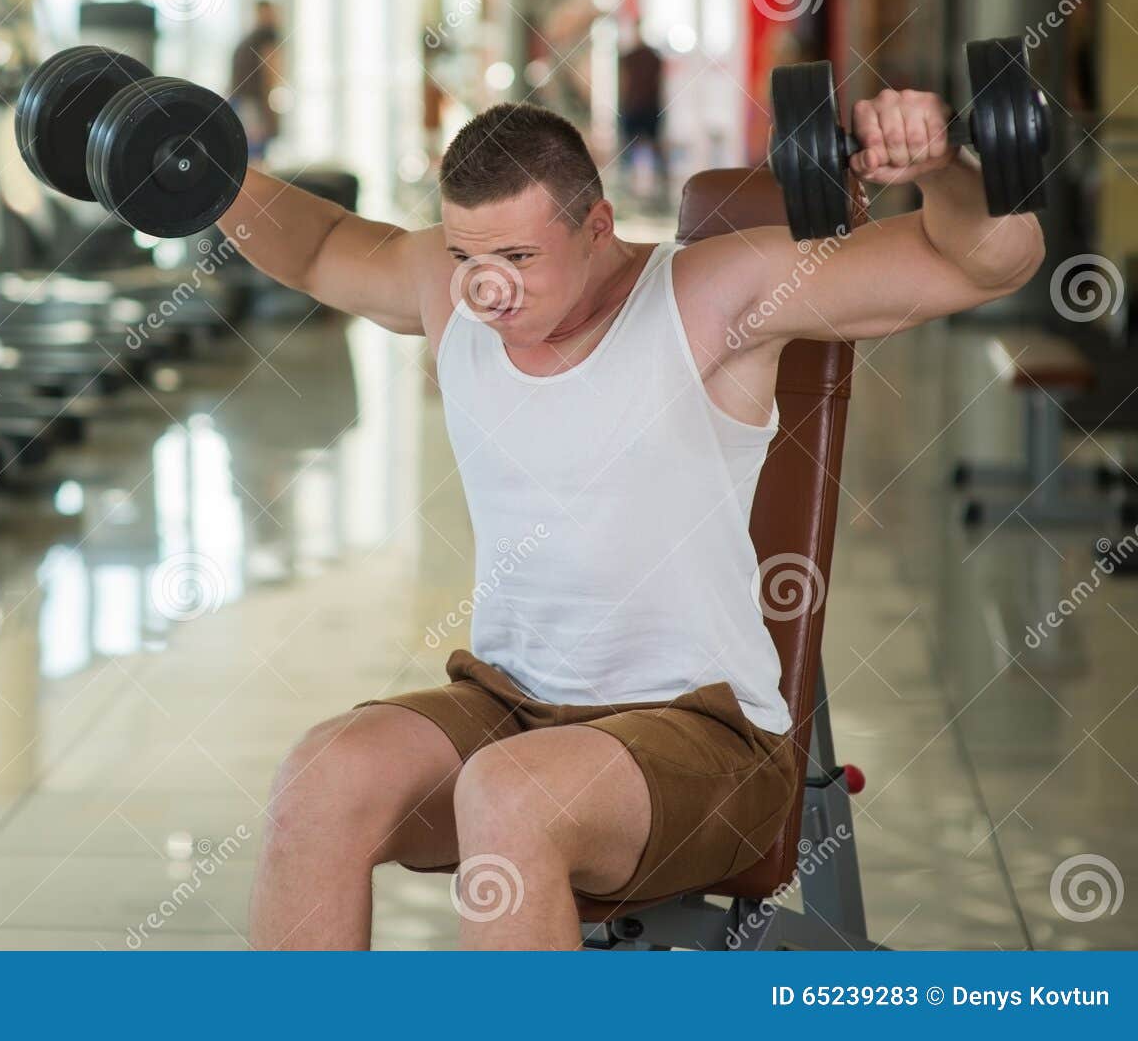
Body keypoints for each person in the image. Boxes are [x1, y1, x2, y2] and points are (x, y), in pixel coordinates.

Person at [220, 89, 1044, 951]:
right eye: (467, 254)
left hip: (706, 736)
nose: (489, 288)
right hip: (510, 707)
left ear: (598, 226)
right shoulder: (451, 286)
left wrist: (943, 168)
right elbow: (317, 245)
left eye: (519, 255)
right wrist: (195, 167)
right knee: (321, 779)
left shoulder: (713, 295)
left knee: (512, 795)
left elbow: (986, 265)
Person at [616, 21, 669, 203]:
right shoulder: (635, 57)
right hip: (640, 107)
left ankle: (658, 184)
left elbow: (627, 84)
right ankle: (631, 184)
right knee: (632, 148)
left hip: (643, 107)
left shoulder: (643, 57)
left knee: (648, 146)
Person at [229, 0, 283, 165]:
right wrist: (270, 111)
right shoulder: (266, 37)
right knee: (255, 157)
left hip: (241, 103)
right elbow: (270, 73)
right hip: (251, 105)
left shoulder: (247, 40)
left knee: (246, 154)